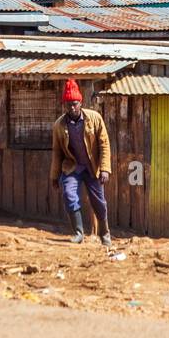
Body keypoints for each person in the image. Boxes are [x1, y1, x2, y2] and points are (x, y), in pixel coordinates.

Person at [50, 78, 112, 245]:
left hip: (93, 167)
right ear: (65, 105)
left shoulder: (94, 118)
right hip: (72, 167)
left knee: (99, 202)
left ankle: (104, 234)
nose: (72, 107)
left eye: (75, 103)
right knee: (69, 194)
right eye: (69, 104)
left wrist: (105, 168)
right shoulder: (59, 125)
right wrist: (55, 177)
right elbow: (57, 152)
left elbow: (104, 144)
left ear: (80, 103)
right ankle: (78, 233)